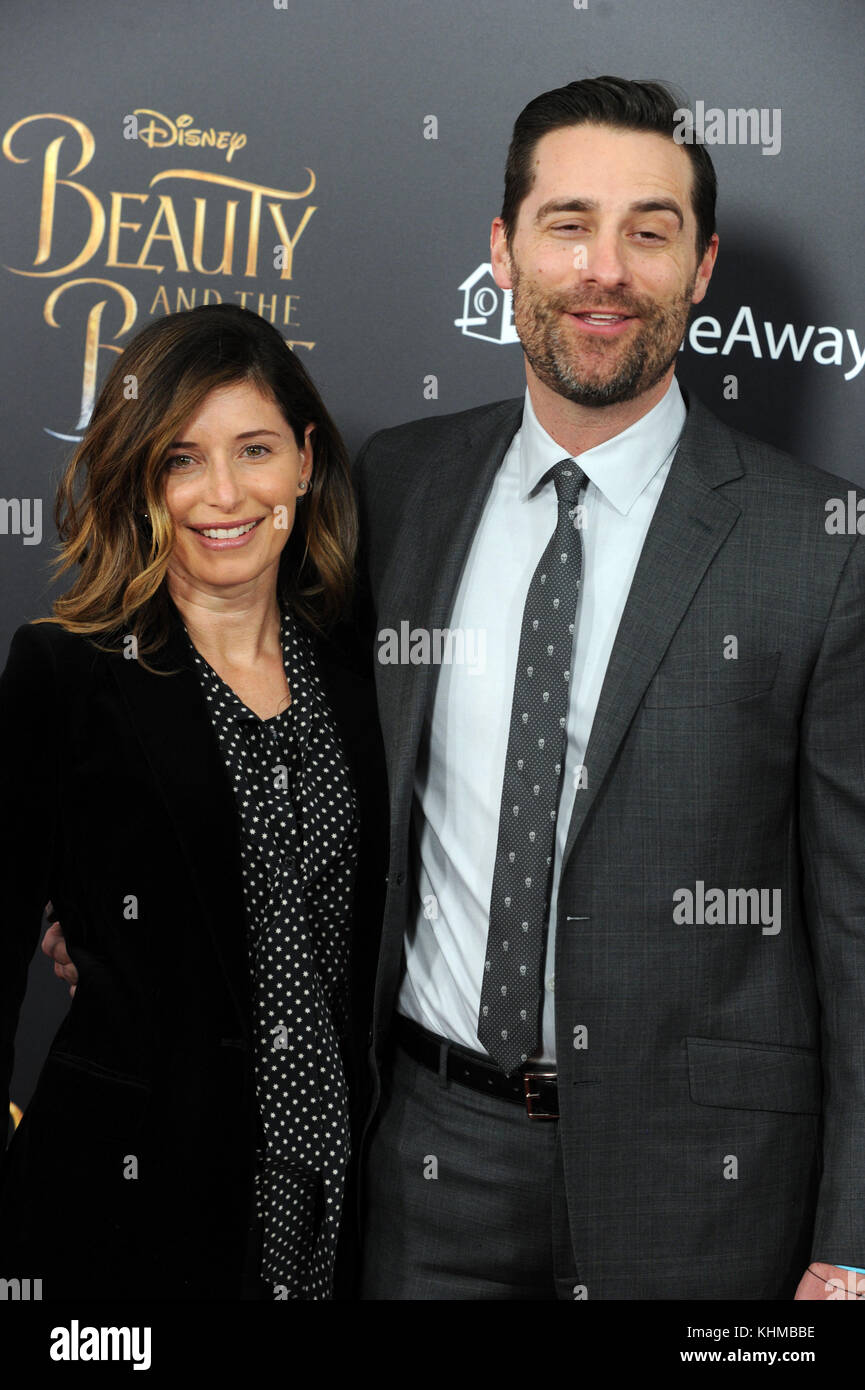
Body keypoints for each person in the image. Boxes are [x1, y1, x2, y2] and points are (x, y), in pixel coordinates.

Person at [352, 77, 865, 1299]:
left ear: (700, 267)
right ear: (503, 249)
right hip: (430, 1157)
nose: (604, 269)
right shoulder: (399, 485)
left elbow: (855, 924)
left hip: (709, 1189)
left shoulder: (820, 543)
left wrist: (849, 1243)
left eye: (649, 230)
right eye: (567, 223)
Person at [0, 303, 385, 1300]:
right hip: (127, 1199)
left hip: (343, 1192)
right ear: (140, 477)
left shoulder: (365, 675)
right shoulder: (68, 674)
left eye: (254, 449)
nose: (223, 494)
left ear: (304, 461)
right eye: (180, 460)